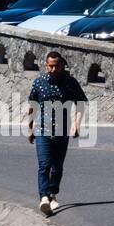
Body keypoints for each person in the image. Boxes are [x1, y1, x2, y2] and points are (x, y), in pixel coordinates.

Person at [24, 51, 87, 216]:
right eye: (50, 66)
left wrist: (76, 124)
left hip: (62, 130)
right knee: (44, 165)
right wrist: (30, 128)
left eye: (56, 66)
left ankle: (52, 193)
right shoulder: (39, 83)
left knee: (57, 166)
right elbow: (32, 106)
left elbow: (80, 104)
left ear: (62, 65)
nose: (53, 69)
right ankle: (44, 198)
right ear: (46, 65)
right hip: (42, 129)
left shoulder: (70, 82)